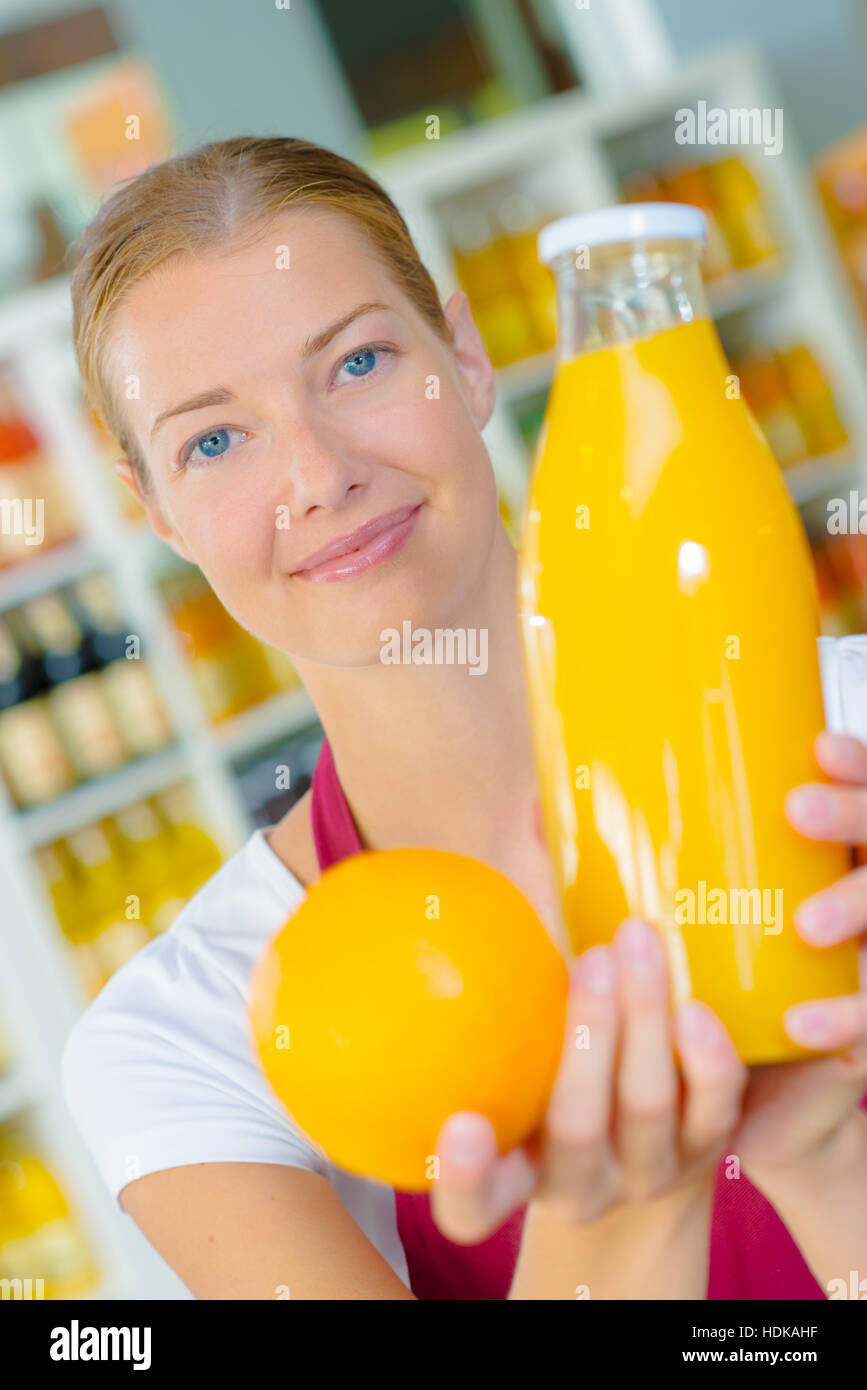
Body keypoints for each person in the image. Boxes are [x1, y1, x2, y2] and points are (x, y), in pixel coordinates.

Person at [61, 136, 867, 1300]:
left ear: (468, 357)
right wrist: (620, 1223)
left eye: (358, 363)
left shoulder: (844, 745)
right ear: (158, 513)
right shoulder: (184, 1037)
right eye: (215, 439)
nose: (319, 474)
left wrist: (826, 1157)